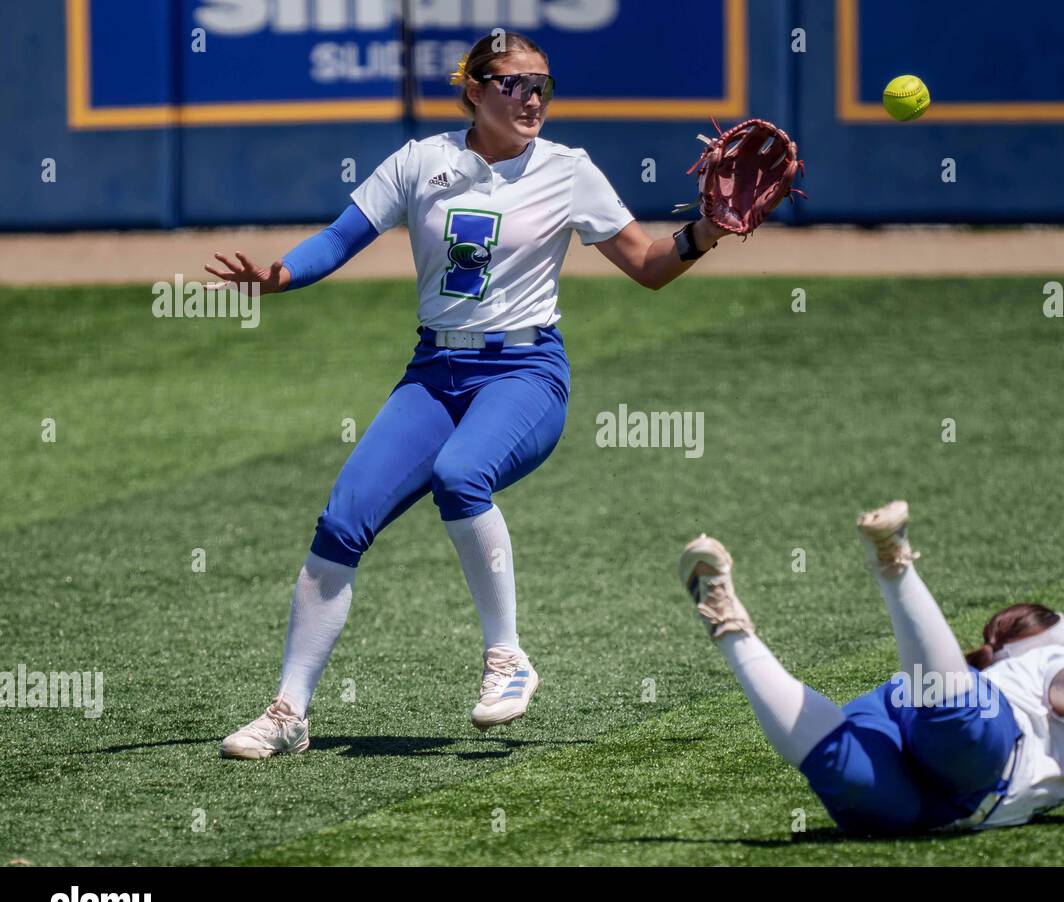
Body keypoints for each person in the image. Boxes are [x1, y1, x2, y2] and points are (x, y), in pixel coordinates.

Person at [213, 31, 737, 758]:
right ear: (473, 91)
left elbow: (648, 266)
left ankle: (507, 657)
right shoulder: (421, 162)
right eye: (515, 84)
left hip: (526, 374)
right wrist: (281, 276)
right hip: (435, 374)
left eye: (542, 86)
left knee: (462, 475)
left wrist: (707, 230)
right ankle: (289, 712)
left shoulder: (568, 171)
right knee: (341, 522)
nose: (532, 99)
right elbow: (338, 239)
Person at [676, 500, 1064, 833]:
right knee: (956, 733)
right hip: (979, 748)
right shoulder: (1053, 658)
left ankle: (725, 618)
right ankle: (894, 564)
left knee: (851, 776)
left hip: (909, 734)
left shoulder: (1006, 678)